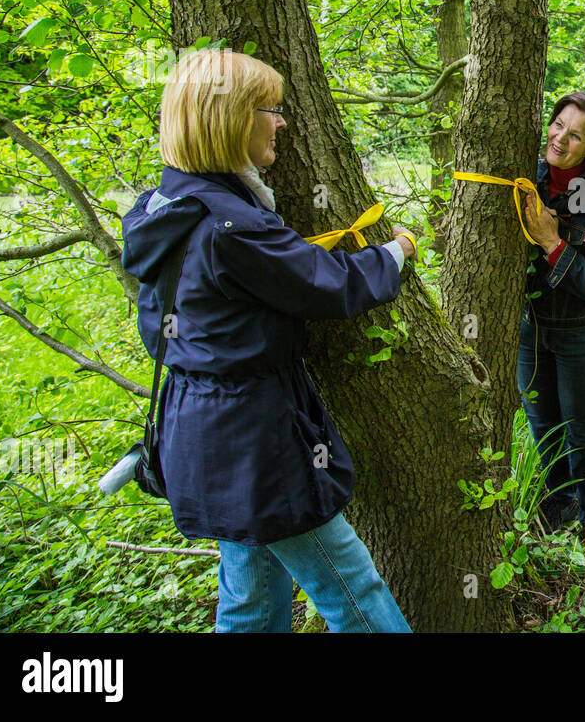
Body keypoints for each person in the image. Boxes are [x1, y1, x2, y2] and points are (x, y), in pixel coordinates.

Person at [120, 50, 416, 633]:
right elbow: (328, 286)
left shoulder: (163, 208)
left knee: (249, 598)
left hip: (200, 432)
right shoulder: (233, 225)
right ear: (229, 117)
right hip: (258, 443)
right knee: (353, 589)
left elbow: (159, 329)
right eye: (270, 110)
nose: (281, 123)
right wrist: (394, 253)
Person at [519, 92, 585, 540]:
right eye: (558, 124)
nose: (560, 138)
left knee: (581, 429)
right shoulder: (530, 178)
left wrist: (551, 242)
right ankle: (560, 499)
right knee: (542, 421)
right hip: (531, 329)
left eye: (575, 134)